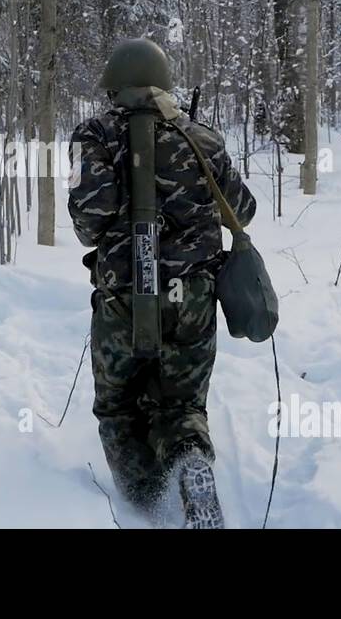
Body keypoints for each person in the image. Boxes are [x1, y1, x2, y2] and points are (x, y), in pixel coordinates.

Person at [67, 38, 256, 528]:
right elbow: (244, 210)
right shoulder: (203, 137)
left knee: (117, 404)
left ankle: (147, 507)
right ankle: (191, 461)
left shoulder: (95, 136)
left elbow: (90, 220)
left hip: (123, 299)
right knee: (183, 402)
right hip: (191, 298)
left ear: (115, 86)